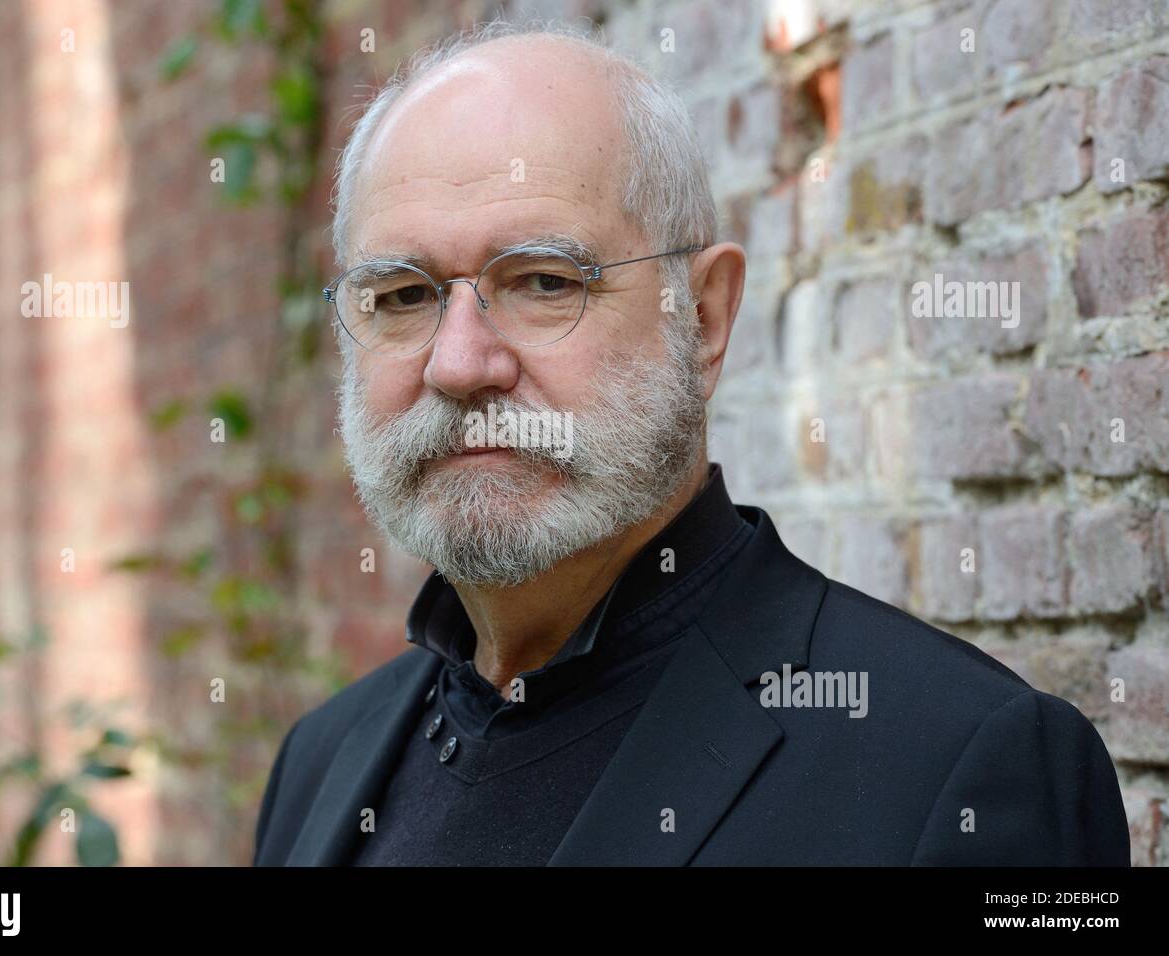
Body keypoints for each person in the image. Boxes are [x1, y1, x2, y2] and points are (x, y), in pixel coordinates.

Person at [253, 19, 1129, 866]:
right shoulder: (319, 763)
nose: (458, 363)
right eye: (402, 296)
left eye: (545, 281)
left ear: (704, 318)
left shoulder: (959, 764)